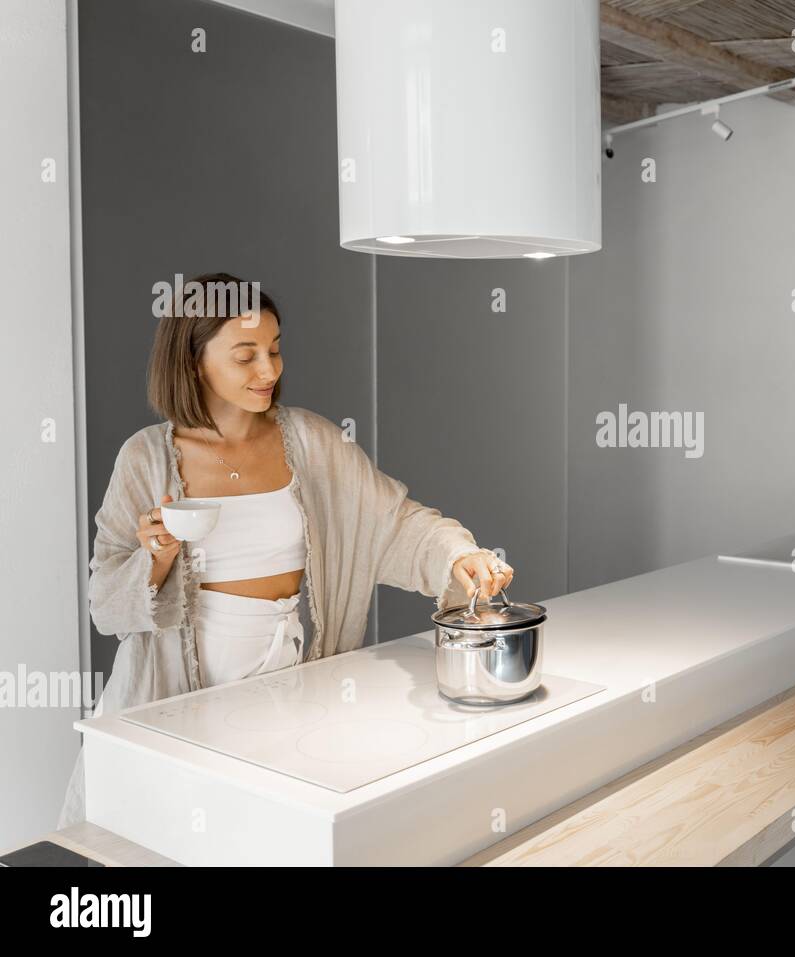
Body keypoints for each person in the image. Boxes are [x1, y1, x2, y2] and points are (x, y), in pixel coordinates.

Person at [56, 272, 511, 827]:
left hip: (285, 680)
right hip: (171, 692)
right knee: (170, 837)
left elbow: (393, 523)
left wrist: (456, 555)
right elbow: (105, 604)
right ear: (194, 362)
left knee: (268, 831)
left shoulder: (313, 441)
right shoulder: (145, 458)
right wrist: (156, 557)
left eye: (273, 350)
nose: (269, 371)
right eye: (245, 356)